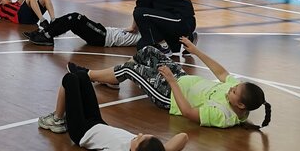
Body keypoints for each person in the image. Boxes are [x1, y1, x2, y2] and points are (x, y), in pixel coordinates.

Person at [38, 66, 187, 151]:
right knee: (83, 76)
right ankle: (60, 115)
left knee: (69, 79)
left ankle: (57, 119)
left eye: (139, 139)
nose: (139, 135)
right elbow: (183, 137)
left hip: (81, 132)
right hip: (98, 122)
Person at [86, 38, 272, 130]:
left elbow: (188, 112)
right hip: (180, 78)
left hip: (170, 94)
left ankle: (87, 75)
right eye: (235, 86)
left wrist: (172, 81)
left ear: (240, 104)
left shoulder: (222, 115)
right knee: (148, 51)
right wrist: (197, 51)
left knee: (130, 69)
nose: (232, 87)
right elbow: (222, 73)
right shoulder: (237, 94)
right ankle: (111, 79)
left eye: (234, 91)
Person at [25, 11, 140, 48]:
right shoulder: (145, 31)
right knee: (72, 19)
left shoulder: (147, 37)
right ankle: (45, 32)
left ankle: (48, 36)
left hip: (103, 37)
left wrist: (133, 27)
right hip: (104, 31)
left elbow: (137, 12)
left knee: (76, 17)